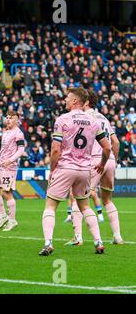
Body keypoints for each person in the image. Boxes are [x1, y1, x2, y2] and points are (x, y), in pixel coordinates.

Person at [39, 87, 110, 256]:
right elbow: (107, 147)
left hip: (66, 167)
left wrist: (52, 170)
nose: (65, 100)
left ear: (75, 101)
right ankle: (98, 242)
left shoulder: (63, 119)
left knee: (50, 205)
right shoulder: (94, 121)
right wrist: (101, 163)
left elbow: (56, 149)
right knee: (85, 206)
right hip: (85, 170)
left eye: (67, 98)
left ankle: (48, 243)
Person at [65, 90, 123, 246]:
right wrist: (113, 161)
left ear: (86, 102)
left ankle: (78, 237)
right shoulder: (103, 117)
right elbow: (116, 143)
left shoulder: (84, 118)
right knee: (107, 200)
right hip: (109, 160)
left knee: (79, 198)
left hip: (95, 161)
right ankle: (117, 236)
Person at [0, 111, 25, 232]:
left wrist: (10, 160)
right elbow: (2, 150)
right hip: (0, 166)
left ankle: (12, 220)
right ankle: (3, 217)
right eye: (7, 117)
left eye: (11, 118)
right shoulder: (6, 133)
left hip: (9, 167)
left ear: (16, 120)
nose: (8, 120)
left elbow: (20, 150)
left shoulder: (18, 133)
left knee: (6, 193)